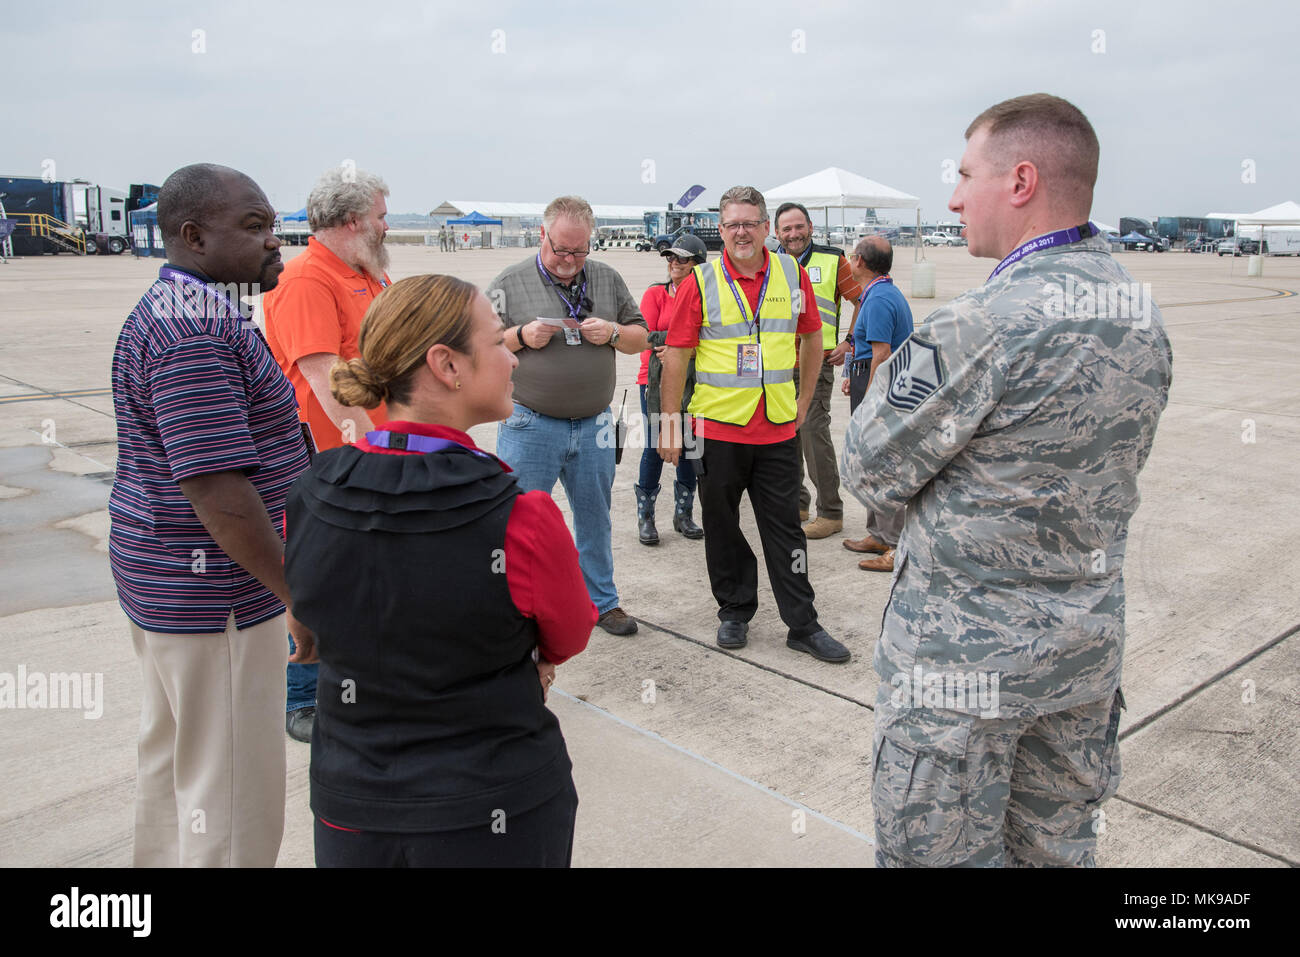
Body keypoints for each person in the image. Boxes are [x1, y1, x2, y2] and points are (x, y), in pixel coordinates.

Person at [842, 94, 1173, 867]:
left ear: (1020, 180)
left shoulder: (982, 322)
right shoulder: (1140, 315)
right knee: (1058, 854)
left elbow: (866, 462)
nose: (954, 197)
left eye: (964, 175)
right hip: (1080, 663)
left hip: (963, 679)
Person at [284, 274, 594, 867]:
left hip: (351, 803)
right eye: (498, 343)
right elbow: (570, 632)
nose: (511, 358)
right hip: (490, 806)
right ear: (447, 365)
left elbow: (313, 609)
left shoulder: (312, 491)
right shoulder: (520, 515)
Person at [108, 163, 312, 867]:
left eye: (273, 225)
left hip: (174, 588)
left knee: (178, 764)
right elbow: (220, 493)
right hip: (214, 593)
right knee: (229, 802)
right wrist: (299, 593)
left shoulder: (190, 311)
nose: (274, 242)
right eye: (254, 227)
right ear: (193, 237)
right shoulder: (194, 331)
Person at [658, 186, 850, 664]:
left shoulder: (790, 272)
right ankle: (735, 610)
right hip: (717, 430)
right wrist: (669, 424)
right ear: (720, 231)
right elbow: (677, 355)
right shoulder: (699, 283)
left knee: (785, 529)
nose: (742, 232)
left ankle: (802, 624)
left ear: (766, 227)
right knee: (722, 526)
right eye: (732, 225)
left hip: (778, 430)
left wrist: (804, 400)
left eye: (750, 222)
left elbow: (811, 339)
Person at [263, 166, 392, 743]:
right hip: (332, 459)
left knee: (364, 579)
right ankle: (301, 696)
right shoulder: (308, 280)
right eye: (382, 217)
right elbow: (324, 376)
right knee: (315, 575)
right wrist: (373, 454)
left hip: (375, 450)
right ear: (351, 221)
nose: (388, 226)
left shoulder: (365, 273)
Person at [488, 195, 649, 636]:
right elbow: (478, 347)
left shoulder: (606, 278)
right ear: (543, 235)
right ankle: (513, 609)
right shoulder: (510, 281)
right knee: (518, 521)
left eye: (580, 251)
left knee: (595, 517)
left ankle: (602, 602)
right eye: (561, 250)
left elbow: (641, 338)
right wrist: (519, 336)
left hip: (594, 425)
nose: (569, 261)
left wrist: (614, 332)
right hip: (530, 424)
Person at [773, 202, 862, 539]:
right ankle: (797, 504)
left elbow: (862, 300)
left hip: (817, 363)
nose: (793, 234)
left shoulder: (833, 260)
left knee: (812, 432)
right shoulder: (770, 262)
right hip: (778, 364)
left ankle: (831, 511)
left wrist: (850, 342)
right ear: (777, 232)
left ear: (810, 227)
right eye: (786, 229)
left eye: (799, 227)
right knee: (785, 436)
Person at [838, 236, 912, 573]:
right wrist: (852, 374)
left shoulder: (879, 298)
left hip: (879, 381)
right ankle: (878, 533)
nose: (850, 260)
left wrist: (871, 401)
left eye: (852, 255)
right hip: (866, 375)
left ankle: (894, 543)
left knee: (884, 465)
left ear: (860, 262)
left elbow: (882, 353)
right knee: (872, 463)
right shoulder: (877, 293)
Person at [634, 234, 707, 545]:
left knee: (690, 447)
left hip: (697, 380)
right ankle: (646, 517)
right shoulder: (656, 294)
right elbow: (644, 335)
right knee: (654, 445)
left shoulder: (707, 294)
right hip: (653, 379)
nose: (674, 263)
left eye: (682, 258)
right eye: (670, 258)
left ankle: (684, 514)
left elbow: (710, 335)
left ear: (697, 264)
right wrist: (680, 345)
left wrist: (686, 348)